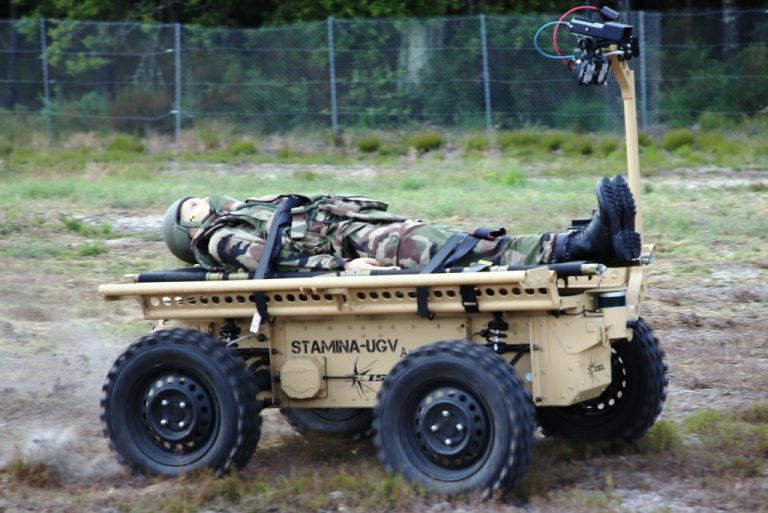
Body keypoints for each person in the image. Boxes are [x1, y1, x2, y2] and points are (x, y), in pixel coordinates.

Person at [162, 175, 640, 274]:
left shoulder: (238, 211)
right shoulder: (220, 237)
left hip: (354, 227)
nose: (201, 203)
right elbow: (271, 259)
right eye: (191, 210)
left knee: (456, 246)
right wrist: (338, 268)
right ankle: (579, 245)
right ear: (189, 234)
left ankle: (590, 244)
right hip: (349, 244)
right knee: (460, 249)